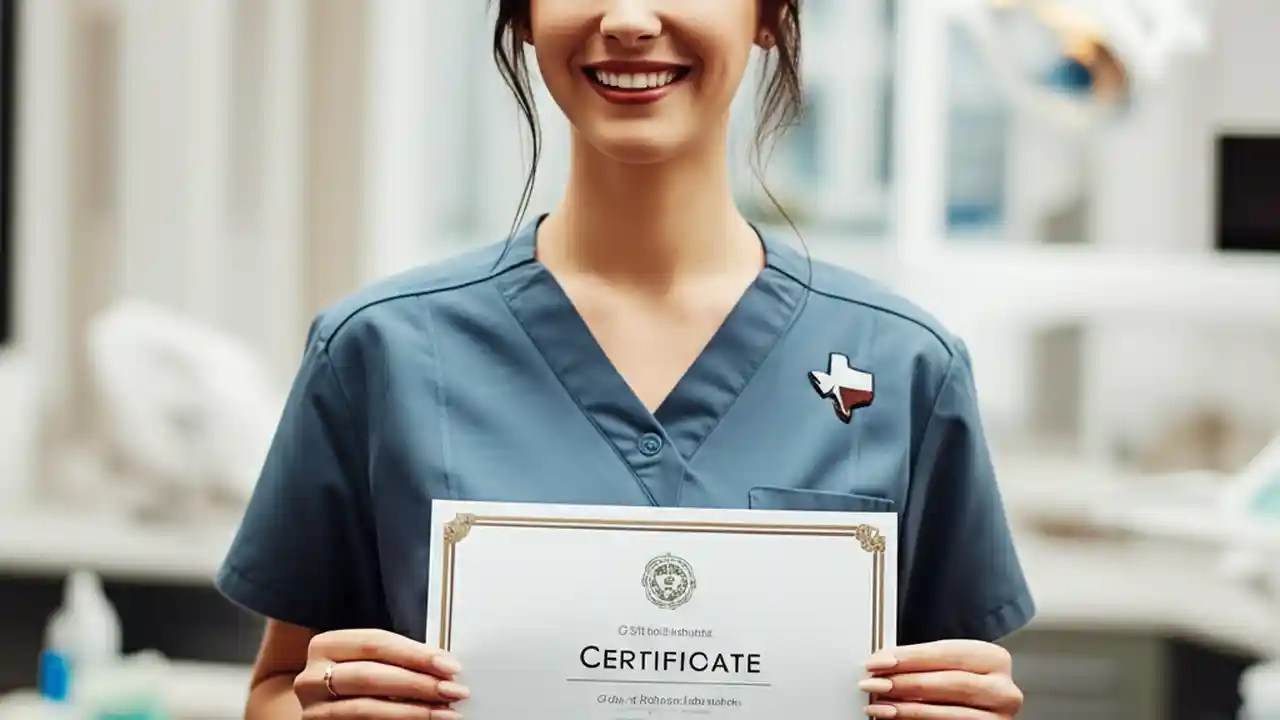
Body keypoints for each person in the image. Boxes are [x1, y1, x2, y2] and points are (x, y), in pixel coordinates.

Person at [216, 1, 1035, 718]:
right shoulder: (379, 351)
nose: (630, 19)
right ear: (522, 15)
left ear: (768, 14)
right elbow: (280, 686)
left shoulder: (903, 366)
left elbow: (950, 690)